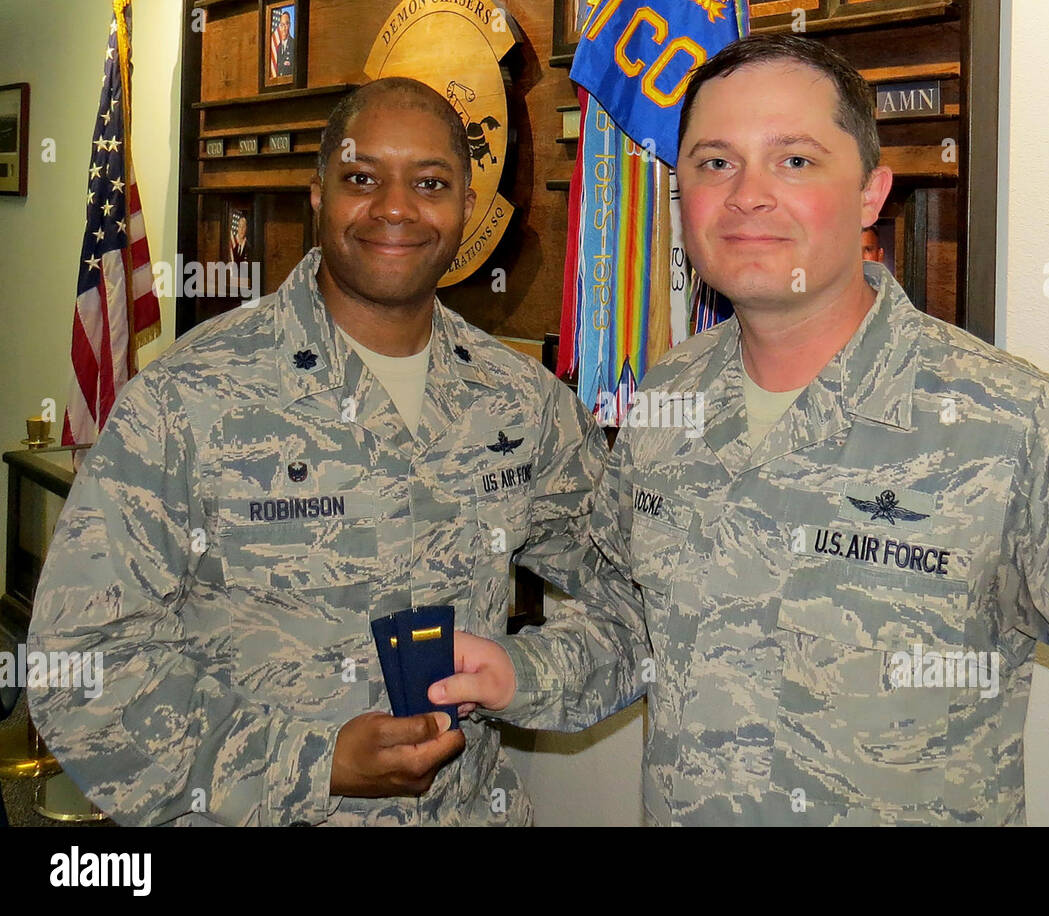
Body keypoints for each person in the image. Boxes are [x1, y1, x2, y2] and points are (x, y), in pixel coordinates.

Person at [435, 34, 1049, 826]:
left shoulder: (1011, 424)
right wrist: (523, 674)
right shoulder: (670, 401)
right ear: (683, 195)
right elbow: (634, 624)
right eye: (715, 162)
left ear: (871, 194)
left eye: (796, 159)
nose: (748, 196)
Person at [25, 77, 641, 826]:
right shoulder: (188, 400)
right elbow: (78, 666)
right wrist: (312, 763)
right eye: (361, 178)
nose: (394, 208)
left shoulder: (521, 405)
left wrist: (526, 675)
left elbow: (639, 594)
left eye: (430, 183)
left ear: (466, 211)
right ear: (318, 196)